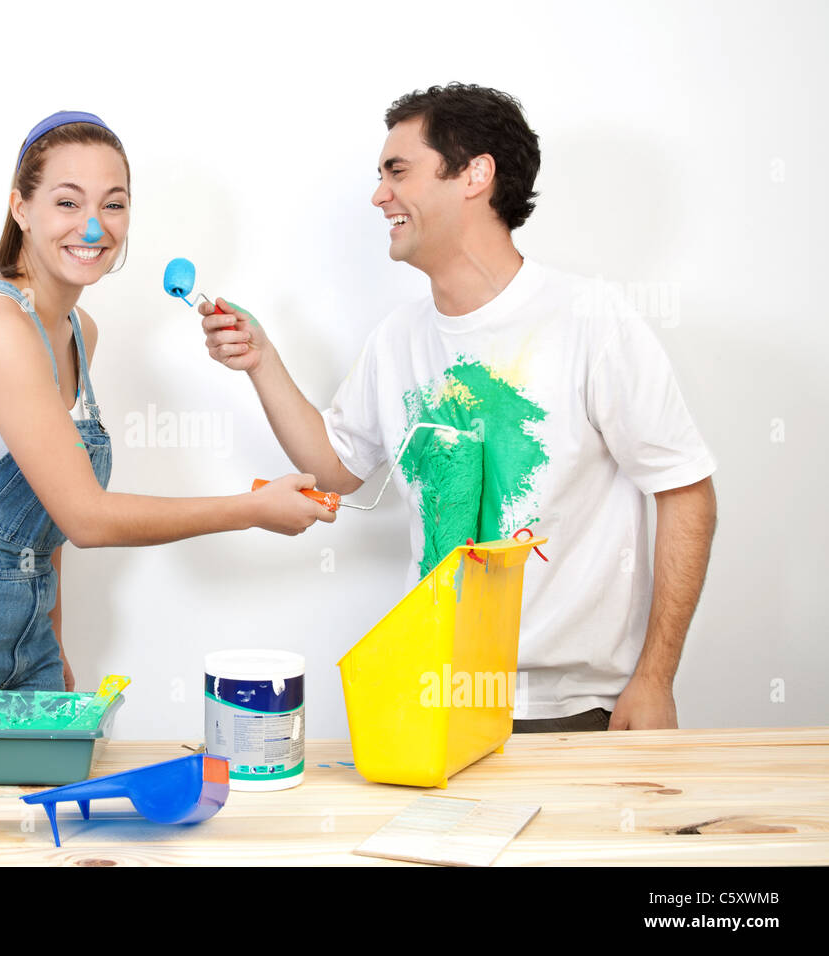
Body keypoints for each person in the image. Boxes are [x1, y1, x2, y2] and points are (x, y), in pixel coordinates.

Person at [198, 85, 718, 732]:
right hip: (439, 705)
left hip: (576, 713)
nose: (378, 195)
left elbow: (685, 490)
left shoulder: (590, 318)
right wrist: (262, 361)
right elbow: (337, 471)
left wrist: (655, 678)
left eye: (398, 171)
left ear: (475, 174)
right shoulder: (398, 339)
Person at [0, 111, 334, 696]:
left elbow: (48, 515)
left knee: (51, 787)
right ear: (21, 207)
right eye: (68, 203)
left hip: (24, 629)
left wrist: (50, 640)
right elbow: (85, 517)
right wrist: (252, 509)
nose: (94, 228)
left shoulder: (79, 330)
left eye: (114, 205)